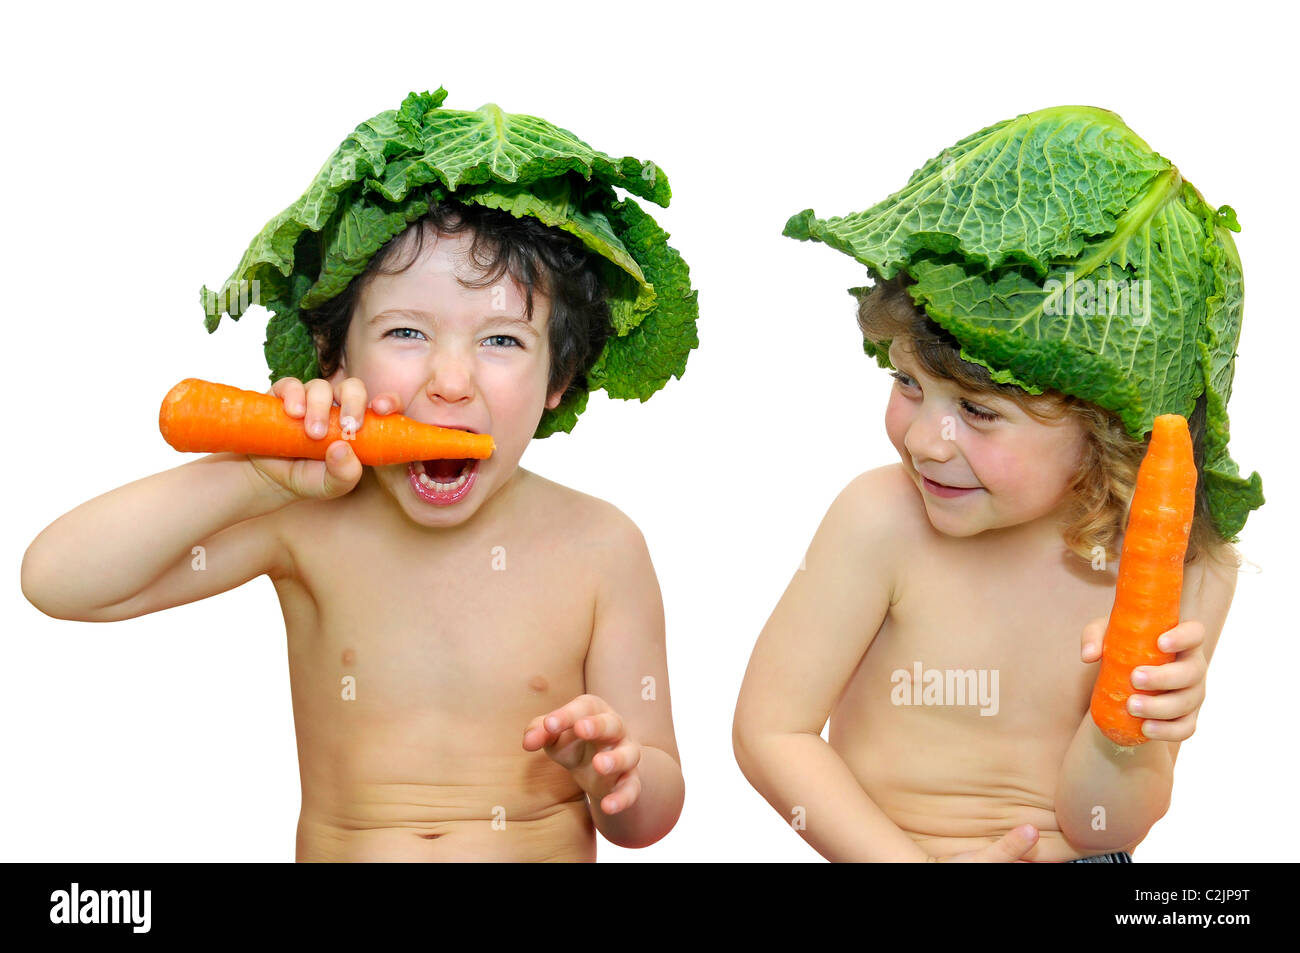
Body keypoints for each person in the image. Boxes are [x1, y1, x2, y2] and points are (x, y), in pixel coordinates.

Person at [21, 89, 696, 861]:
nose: (450, 381)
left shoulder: (601, 545)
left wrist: (614, 772)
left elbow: (651, 814)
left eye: (502, 341)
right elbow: (58, 578)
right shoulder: (304, 518)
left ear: (559, 379)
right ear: (333, 354)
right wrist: (264, 474)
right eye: (406, 331)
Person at [733, 105, 1262, 862]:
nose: (923, 439)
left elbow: (1098, 827)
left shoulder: (1186, 562)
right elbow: (769, 732)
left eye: (978, 410)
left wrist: (1128, 735)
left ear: (1110, 424)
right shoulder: (879, 520)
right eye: (908, 383)